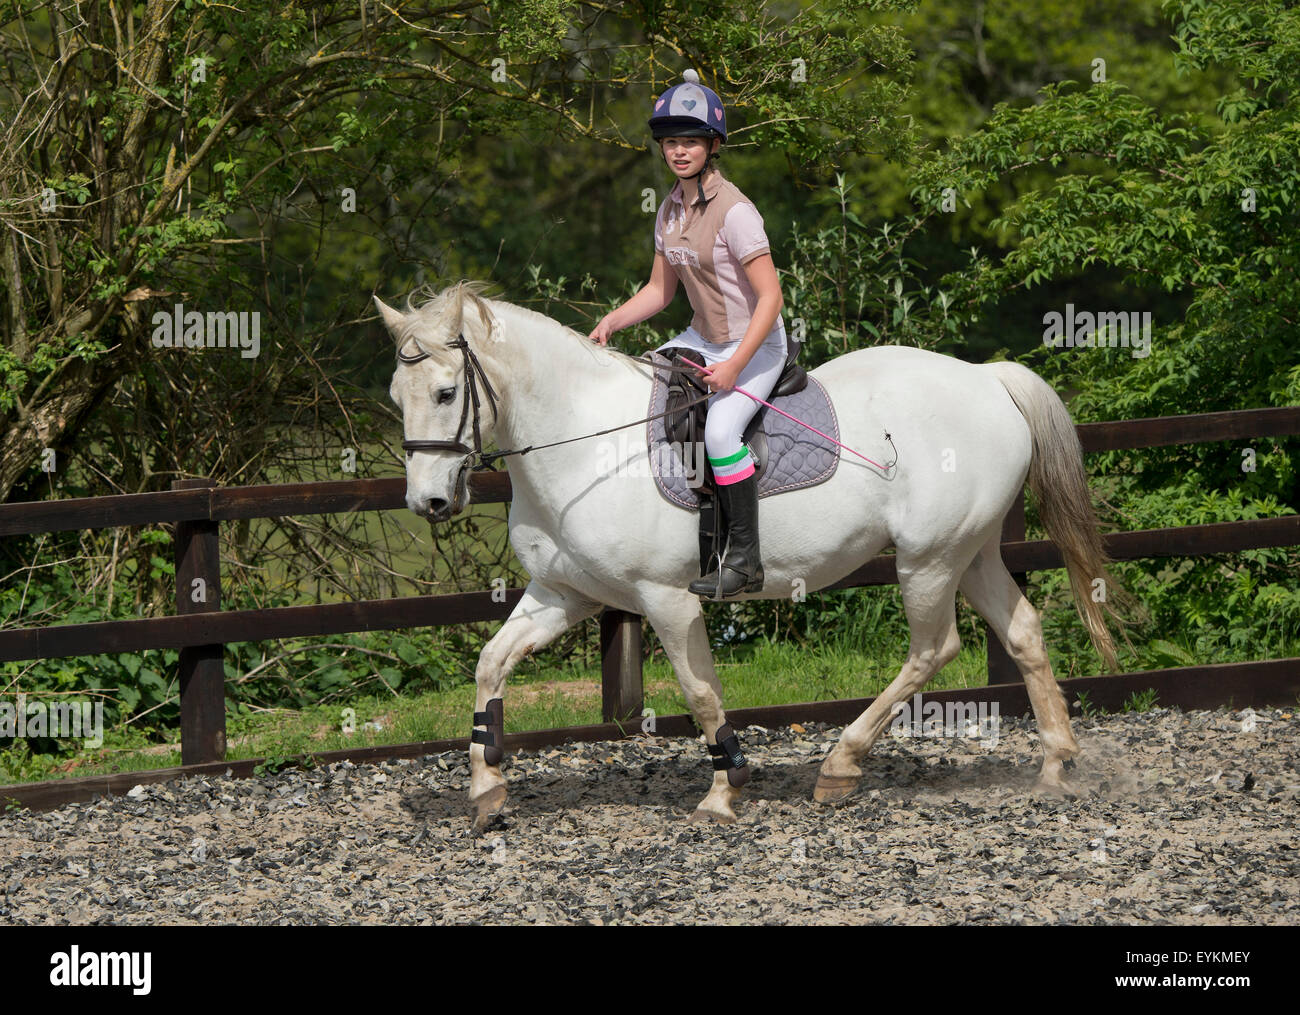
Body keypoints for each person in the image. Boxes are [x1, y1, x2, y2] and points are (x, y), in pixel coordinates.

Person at [589, 69, 787, 600]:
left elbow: (771, 298)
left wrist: (733, 368)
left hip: (756, 343)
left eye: (691, 141)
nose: (679, 151)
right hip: (703, 337)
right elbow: (659, 291)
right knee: (649, 390)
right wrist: (613, 319)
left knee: (722, 434)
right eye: (671, 141)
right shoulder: (669, 208)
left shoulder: (737, 211)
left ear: (713, 146)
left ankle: (745, 561)